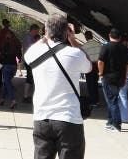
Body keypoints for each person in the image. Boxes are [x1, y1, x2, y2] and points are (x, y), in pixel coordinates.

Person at [24, 14, 91, 159]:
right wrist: (72, 39)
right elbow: (89, 66)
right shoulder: (75, 54)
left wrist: (45, 37)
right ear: (66, 32)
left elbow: (28, 54)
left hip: (42, 119)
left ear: (46, 31)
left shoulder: (34, 52)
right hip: (69, 119)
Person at [98, 27, 128, 132]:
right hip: (120, 78)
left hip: (108, 78)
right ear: (120, 37)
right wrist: (126, 77)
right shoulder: (125, 48)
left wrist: (101, 73)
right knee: (112, 100)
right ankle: (110, 121)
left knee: (112, 101)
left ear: (109, 36)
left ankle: (117, 124)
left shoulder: (106, 47)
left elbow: (100, 62)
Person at [0, 27, 22, 109]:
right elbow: (19, 56)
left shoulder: (5, 43)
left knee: (7, 83)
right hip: (14, 66)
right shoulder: (16, 43)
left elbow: (1, 55)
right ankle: (2, 99)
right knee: (6, 83)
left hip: (6, 66)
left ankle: (13, 100)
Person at [81, 31, 102, 107]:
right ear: (92, 36)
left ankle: (93, 101)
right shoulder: (99, 45)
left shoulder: (84, 46)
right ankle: (97, 100)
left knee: (90, 84)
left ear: (86, 37)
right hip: (97, 66)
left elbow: (82, 57)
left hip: (90, 66)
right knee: (95, 83)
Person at [22, 24, 41, 102]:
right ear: (33, 30)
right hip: (29, 60)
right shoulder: (28, 37)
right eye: (37, 31)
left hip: (30, 60)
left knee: (31, 78)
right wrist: (40, 42)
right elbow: (32, 46)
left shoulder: (30, 37)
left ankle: (28, 95)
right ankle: (25, 96)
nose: (37, 33)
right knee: (30, 78)